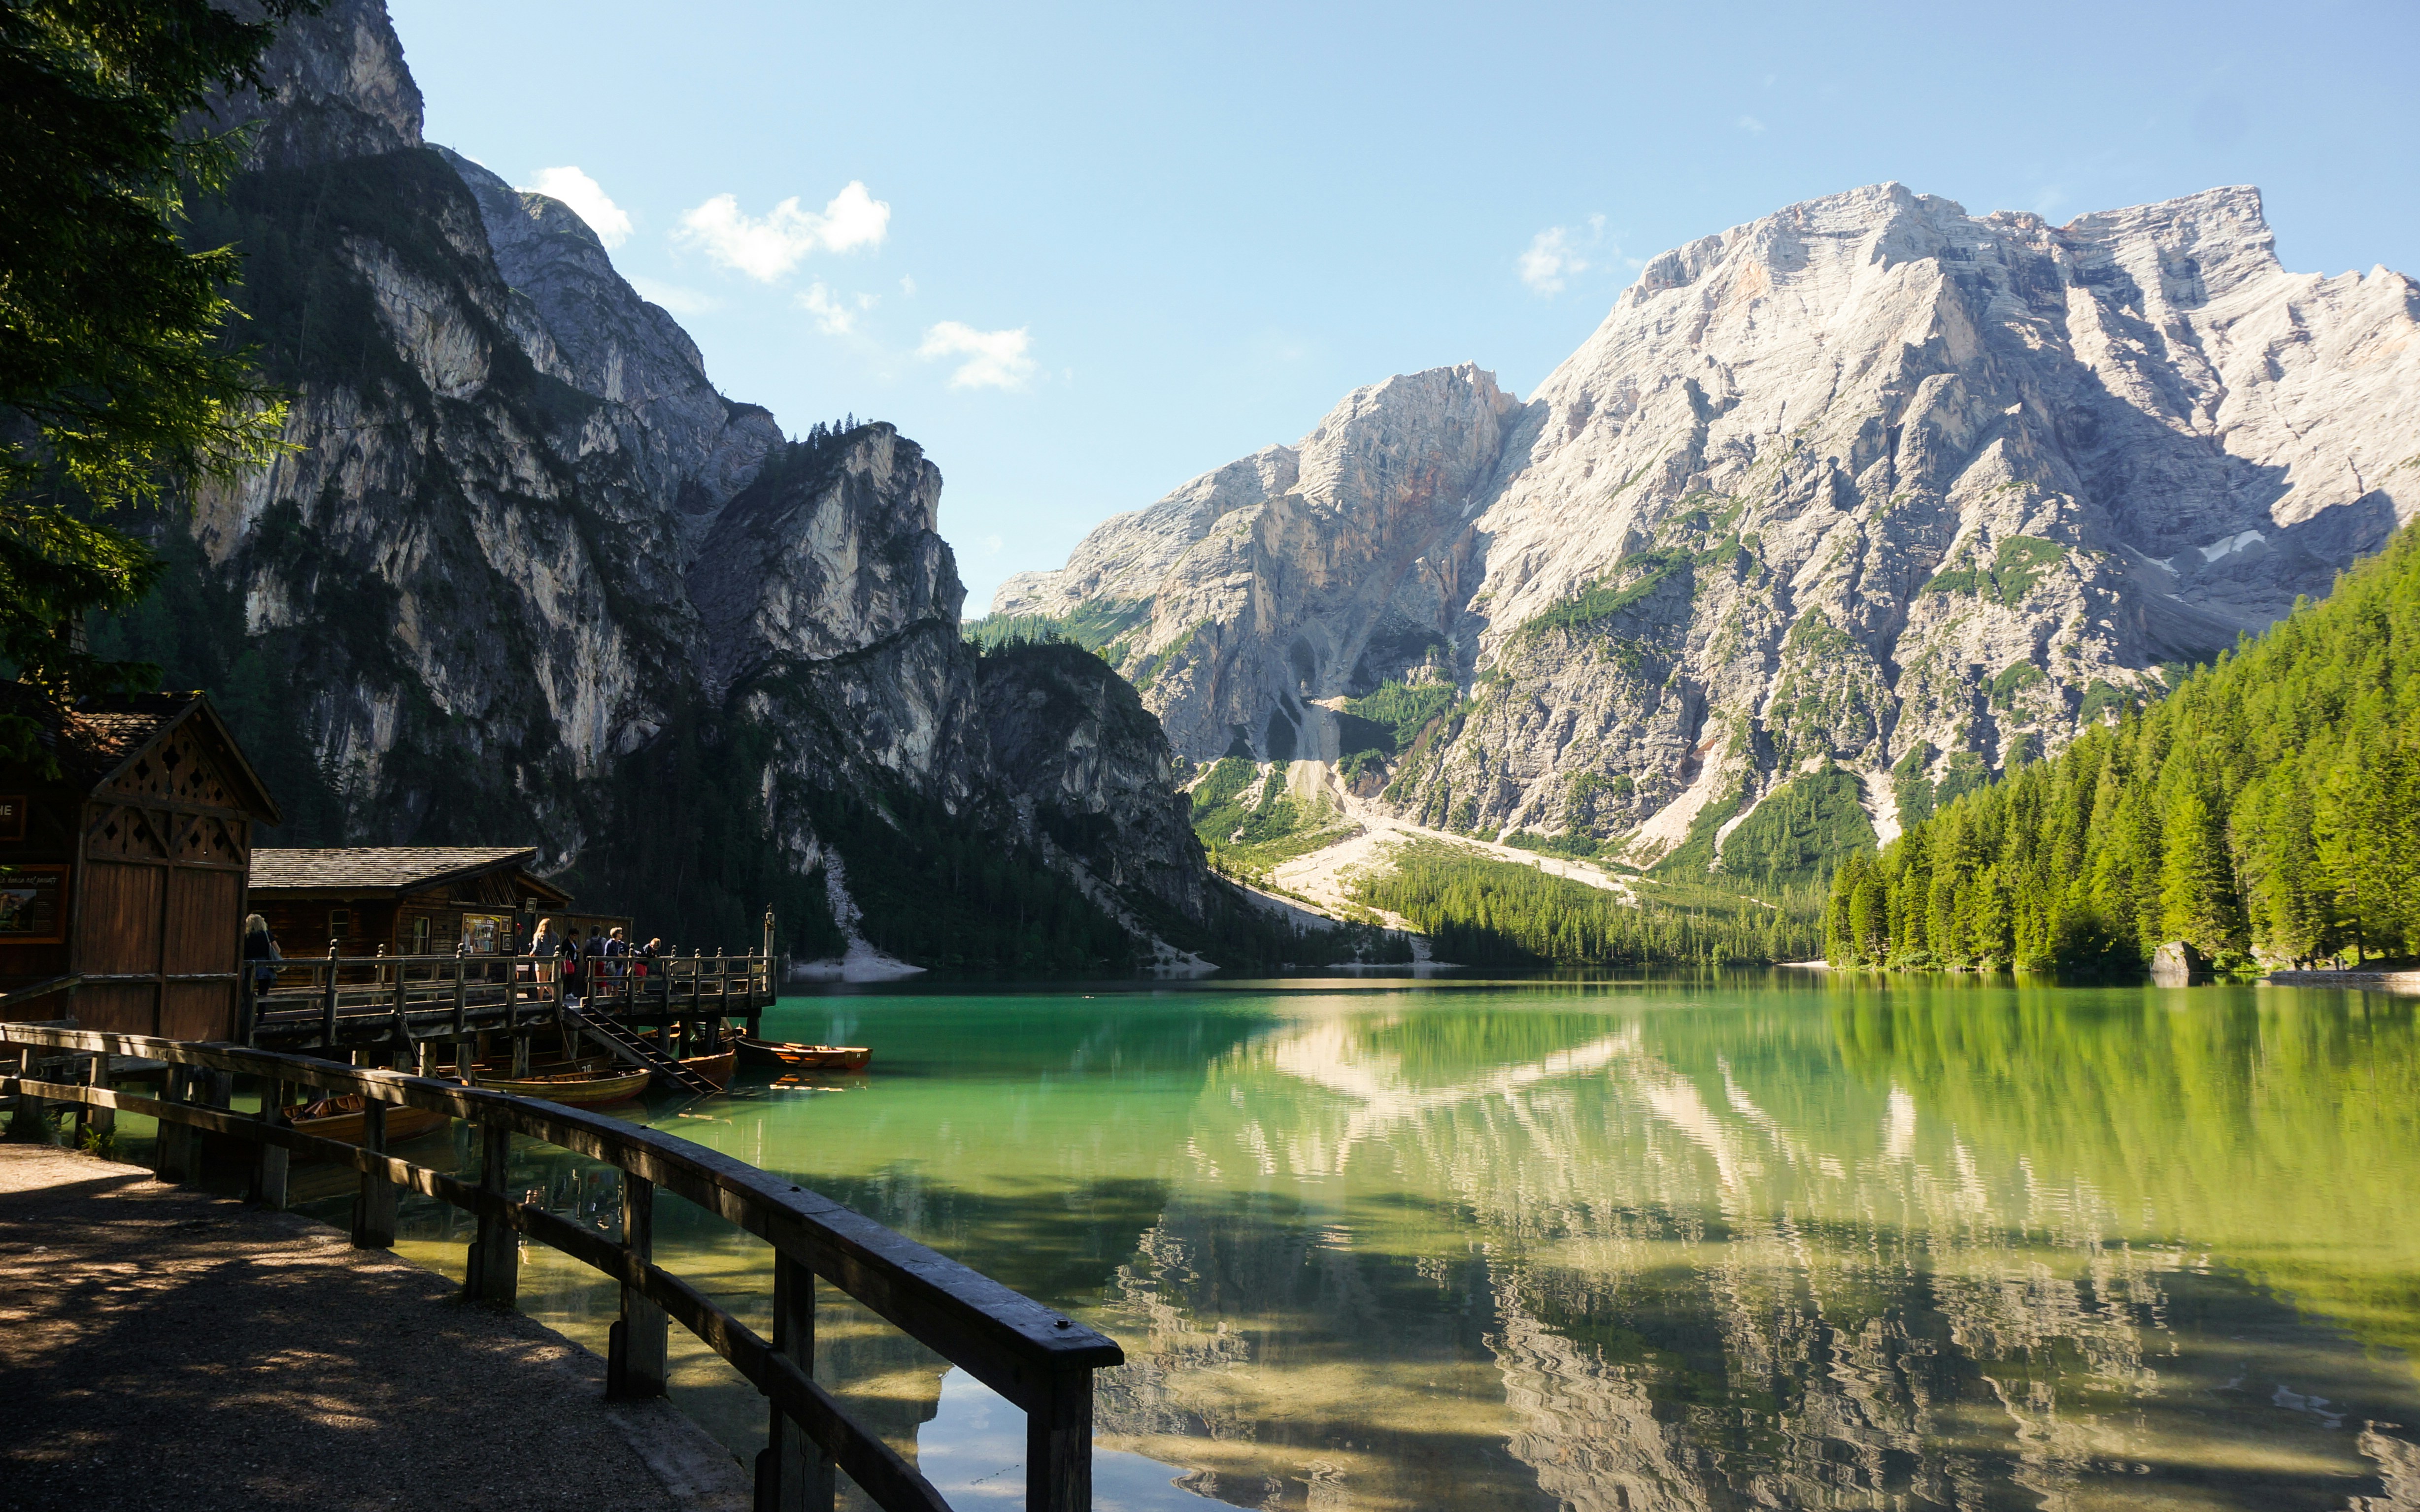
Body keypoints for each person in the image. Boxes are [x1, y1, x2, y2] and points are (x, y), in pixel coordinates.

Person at [242, 913, 280, 998]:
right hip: (265, 967)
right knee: (263, 994)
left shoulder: (245, 935)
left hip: (247, 967)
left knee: (246, 993)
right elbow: (278, 950)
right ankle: (261, 1011)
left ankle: (247, 1011)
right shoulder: (266, 934)